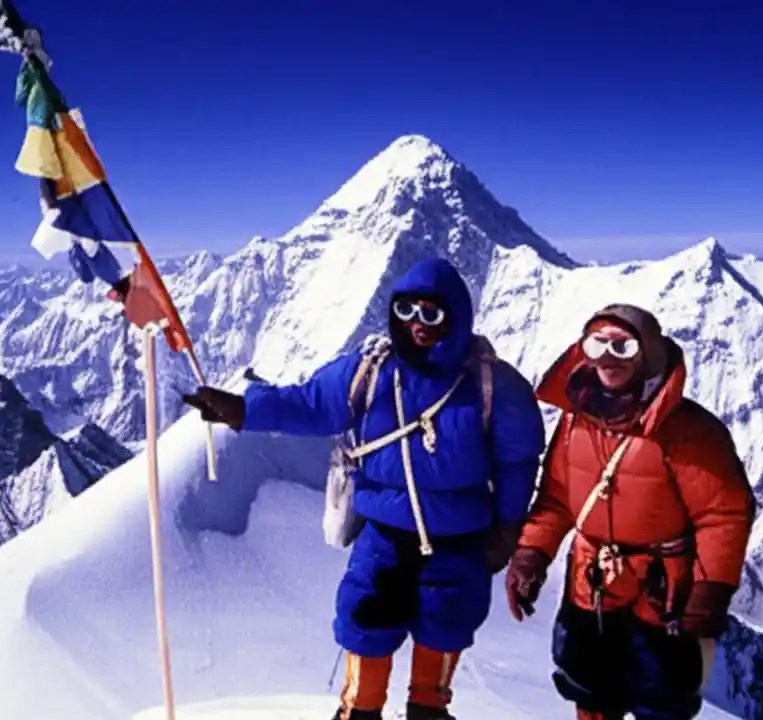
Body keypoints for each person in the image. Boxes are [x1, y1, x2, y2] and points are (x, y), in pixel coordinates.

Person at [183, 257, 546, 720]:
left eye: (432, 314)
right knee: (366, 618)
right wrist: (243, 410)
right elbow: (310, 403)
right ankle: (361, 709)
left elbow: (517, 461)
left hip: (458, 537)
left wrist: (509, 524)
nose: (418, 325)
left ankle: (429, 709)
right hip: (386, 532)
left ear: (456, 316)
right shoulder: (371, 372)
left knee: (447, 620)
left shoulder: (492, 385)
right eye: (407, 312)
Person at [504, 304, 755, 720]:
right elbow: (557, 499)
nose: (607, 358)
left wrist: (707, 593)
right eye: (597, 344)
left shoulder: (688, 431)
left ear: (649, 354)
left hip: (662, 592)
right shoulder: (574, 423)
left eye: (623, 347)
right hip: (594, 582)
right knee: (591, 691)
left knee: (659, 697)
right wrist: (531, 555)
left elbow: (724, 514)